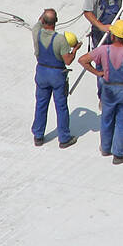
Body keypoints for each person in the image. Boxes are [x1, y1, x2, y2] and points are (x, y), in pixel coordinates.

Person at [78, 19, 123, 164]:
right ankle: (119, 154)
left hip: (108, 90)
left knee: (106, 119)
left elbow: (82, 60)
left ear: (113, 35)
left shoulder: (103, 50)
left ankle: (106, 148)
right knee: (122, 122)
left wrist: (98, 73)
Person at [31, 9, 79, 148]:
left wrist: (44, 13)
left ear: (43, 21)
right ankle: (64, 138)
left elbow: (39, 21)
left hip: (41, 72)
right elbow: (68, 60)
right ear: (56, 22)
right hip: (57, 75)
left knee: (41, 104)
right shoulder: (60, 39)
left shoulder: (36, 32)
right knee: (61, 106)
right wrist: (75, 49)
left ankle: (38, 135)